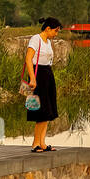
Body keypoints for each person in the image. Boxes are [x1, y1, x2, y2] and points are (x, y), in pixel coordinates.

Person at [25, 17, 62, 152]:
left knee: (48, 109)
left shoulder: (48, 42)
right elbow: (28, 59)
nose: (56, 34)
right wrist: (33, 79)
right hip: (38, 74)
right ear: (48, 29)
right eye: (55, 31)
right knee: (40, 110)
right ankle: (35, 143)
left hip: (47, 74)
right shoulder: (36, 39)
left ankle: (42, 142)